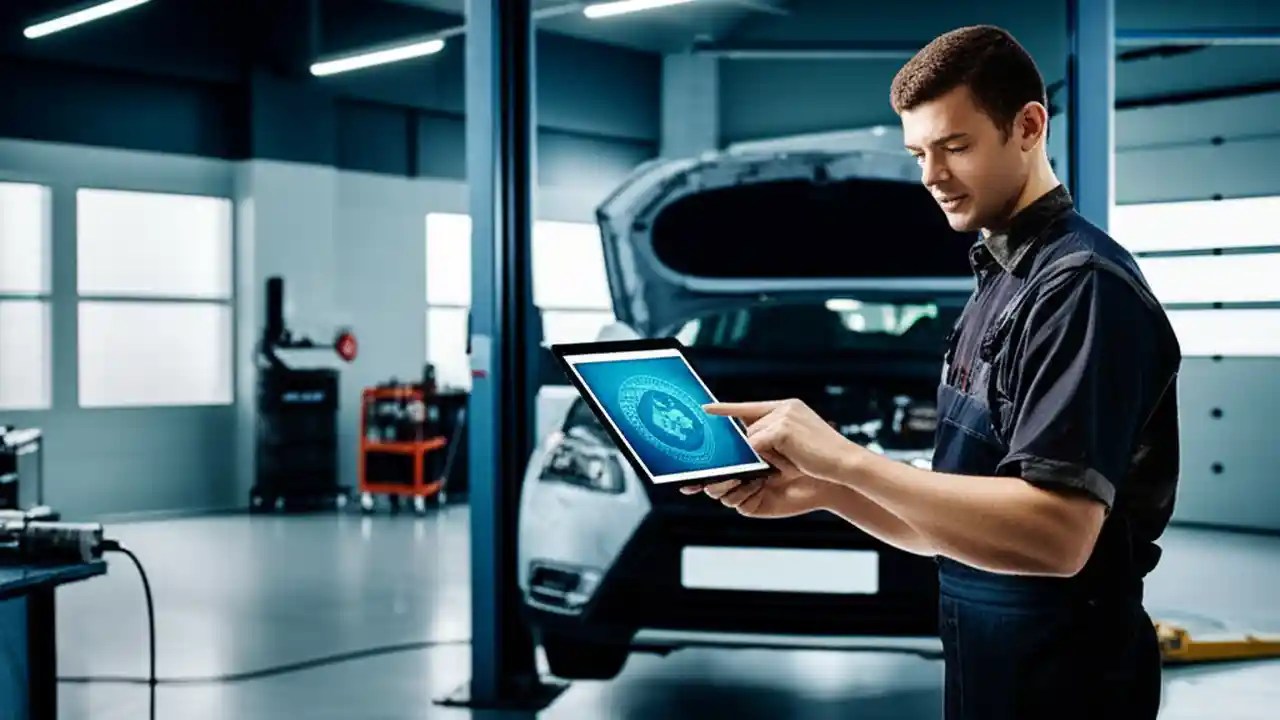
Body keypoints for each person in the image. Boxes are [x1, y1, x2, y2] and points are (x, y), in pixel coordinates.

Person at [680, 24, 1182, 720]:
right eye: (918, 152)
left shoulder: (1081, 288)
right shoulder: (998, 283)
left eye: (955, 146)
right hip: (991, 663)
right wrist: (826, 492)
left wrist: (846, 460)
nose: (931, 176)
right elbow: (957, 514)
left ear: (1029, 126)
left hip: (1067, 677)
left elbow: (1055, 537)